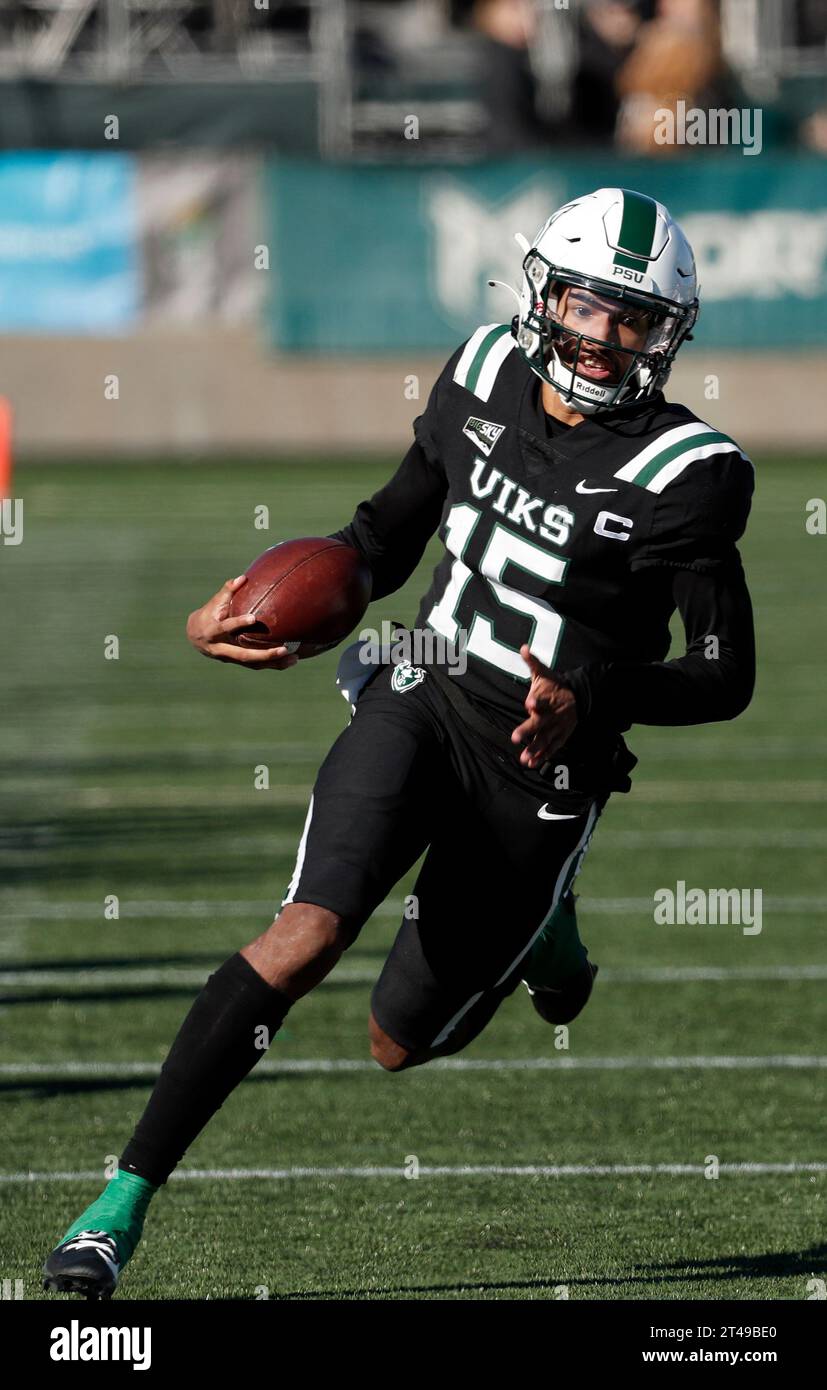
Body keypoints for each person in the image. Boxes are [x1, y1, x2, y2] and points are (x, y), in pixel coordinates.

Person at [43, 187, 755, 1298]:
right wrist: (254, 606)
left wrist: (593, 693)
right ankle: (114, 1209)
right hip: (419, 693)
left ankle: (548, 932)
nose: (602, 337)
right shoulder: (478, 371)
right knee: (303, 933)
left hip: (541, 766)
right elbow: (383, 533)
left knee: (394, 1039)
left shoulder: (689, 472)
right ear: (541, 295)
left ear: (663, 336)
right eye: (584, 304)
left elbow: (723, 675)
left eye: (631, 320)